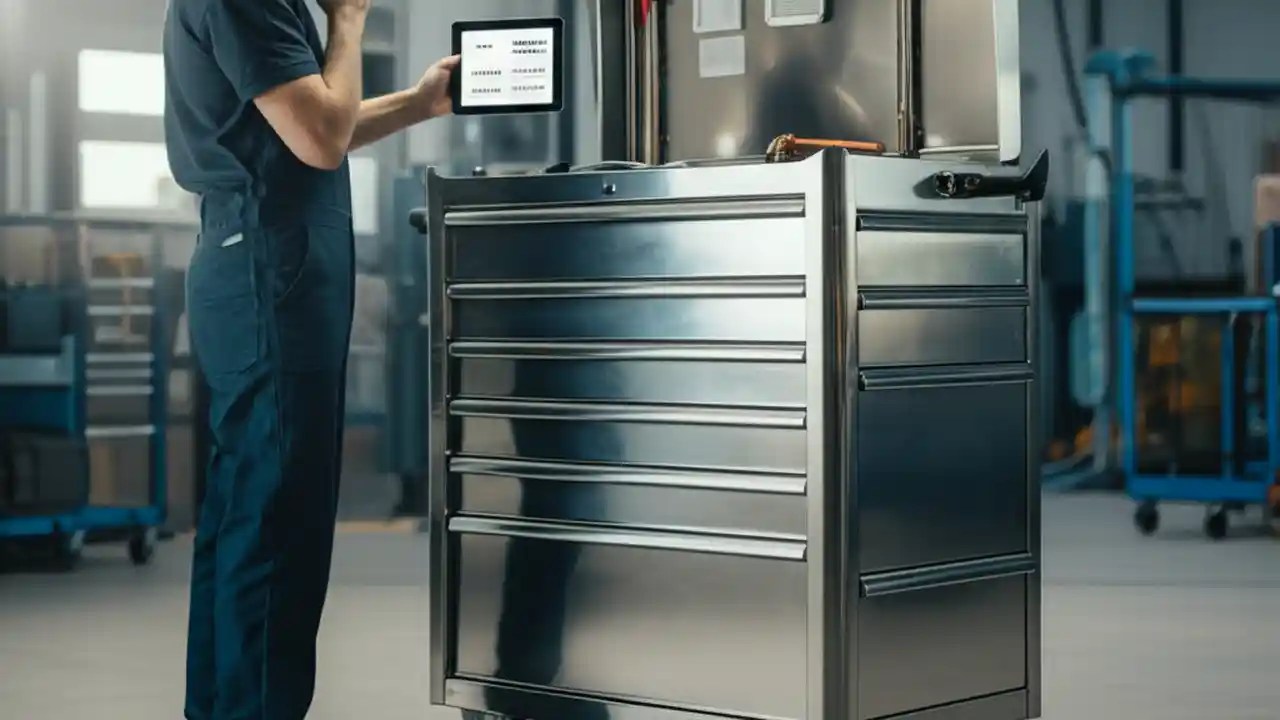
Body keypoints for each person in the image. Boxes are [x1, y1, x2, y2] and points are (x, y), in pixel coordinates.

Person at [162, 0, 456, 717]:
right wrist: (348, 22)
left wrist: (419, 104)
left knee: (245, 515)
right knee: (276, 528)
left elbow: (312, 119)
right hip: (269, 268)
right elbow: (322, 137)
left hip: (254, 261)